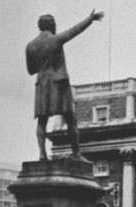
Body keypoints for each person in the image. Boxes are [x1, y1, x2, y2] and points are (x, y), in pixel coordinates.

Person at [26, 10, 104, 161]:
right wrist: (90, 19)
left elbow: (31, 70)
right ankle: (76, 153)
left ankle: (42, 155)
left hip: (41, 83)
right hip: (59, 82)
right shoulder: (55, 39)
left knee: (42, 121)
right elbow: (74, 31)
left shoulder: (30, 46)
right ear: (52, 26)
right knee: (70, 119)